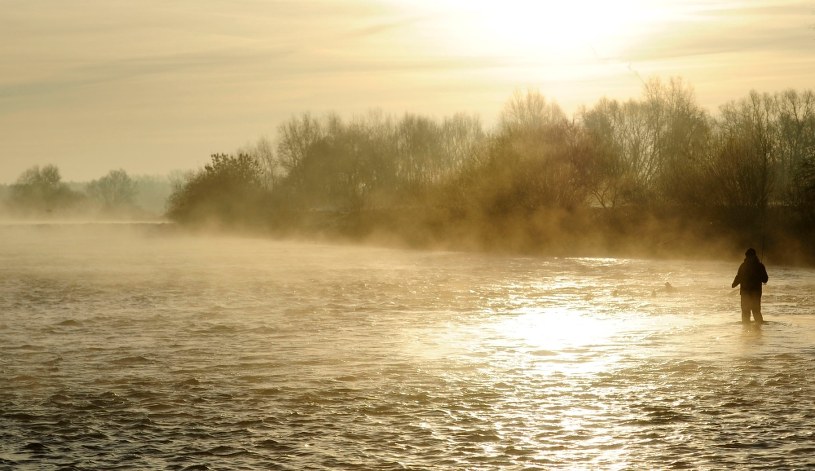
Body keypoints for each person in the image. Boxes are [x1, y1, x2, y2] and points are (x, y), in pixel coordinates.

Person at [731, 248, 769, 325]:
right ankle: (755, 333)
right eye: (749, 256)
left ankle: (750, 332)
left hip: (749, 293)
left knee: (750, 312)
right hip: (752, 293)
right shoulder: (759, 266)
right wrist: (734, 284)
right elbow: (765, 279)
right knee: (751, 312)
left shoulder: (744, 266)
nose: (750, 258)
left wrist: (734, 284)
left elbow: (765, 279)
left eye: (750, 256)